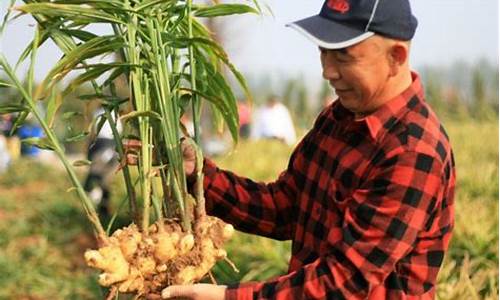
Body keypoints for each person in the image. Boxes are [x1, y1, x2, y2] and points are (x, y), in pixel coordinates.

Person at [161, 0, 455, 299]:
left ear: (396, 57)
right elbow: (284, 208)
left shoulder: (412, 151)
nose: (328, 71)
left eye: (343, 56)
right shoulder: (336, 119)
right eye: (322, 51)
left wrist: (227, 296)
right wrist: (197, 174)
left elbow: (345, 281)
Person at [83, 107, 122, 217]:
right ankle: (102, 209)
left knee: (95, 175)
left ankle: (96, 208)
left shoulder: (98, 113)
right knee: (105, 179)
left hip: (101, 144)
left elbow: (92, 132)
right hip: (112, 145)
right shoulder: (116, 115)